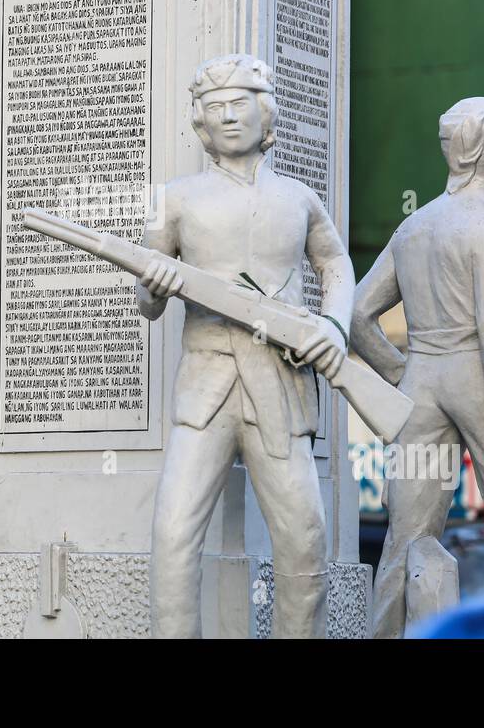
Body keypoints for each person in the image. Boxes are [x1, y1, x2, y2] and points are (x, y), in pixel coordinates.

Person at [138, 53, 354, 638]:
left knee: (305, 535)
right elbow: (147, 298)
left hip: (279, 383)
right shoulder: (176, 198)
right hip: (206, 384)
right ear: (200, 125)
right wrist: (152, 288)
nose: (228, 118)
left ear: (266, 116)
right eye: (215, 109)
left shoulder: (299, 197)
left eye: (240, 105)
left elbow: (334, 263)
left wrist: (333, 327)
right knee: (173, 531)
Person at [351, 96, 484, 638]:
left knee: (406, 534)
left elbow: (357, 314)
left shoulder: (414, 228)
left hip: (421, 382)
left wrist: (402, 377)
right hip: (476, 380)